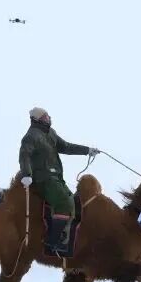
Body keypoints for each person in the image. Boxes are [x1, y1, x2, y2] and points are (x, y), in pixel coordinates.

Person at [18, 107, 98, 253]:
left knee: (71, 201)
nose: (48, 118)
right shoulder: (31, 136)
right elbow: (24, 155)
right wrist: (26, 175)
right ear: (37, 119)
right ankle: (52, 241)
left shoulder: (50, 133)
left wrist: (87, 150)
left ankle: (63, 239)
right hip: (43, 179)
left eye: (48, 115)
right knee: (64, 202)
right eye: (45, 117)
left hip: (56, 178)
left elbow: (66, 147)